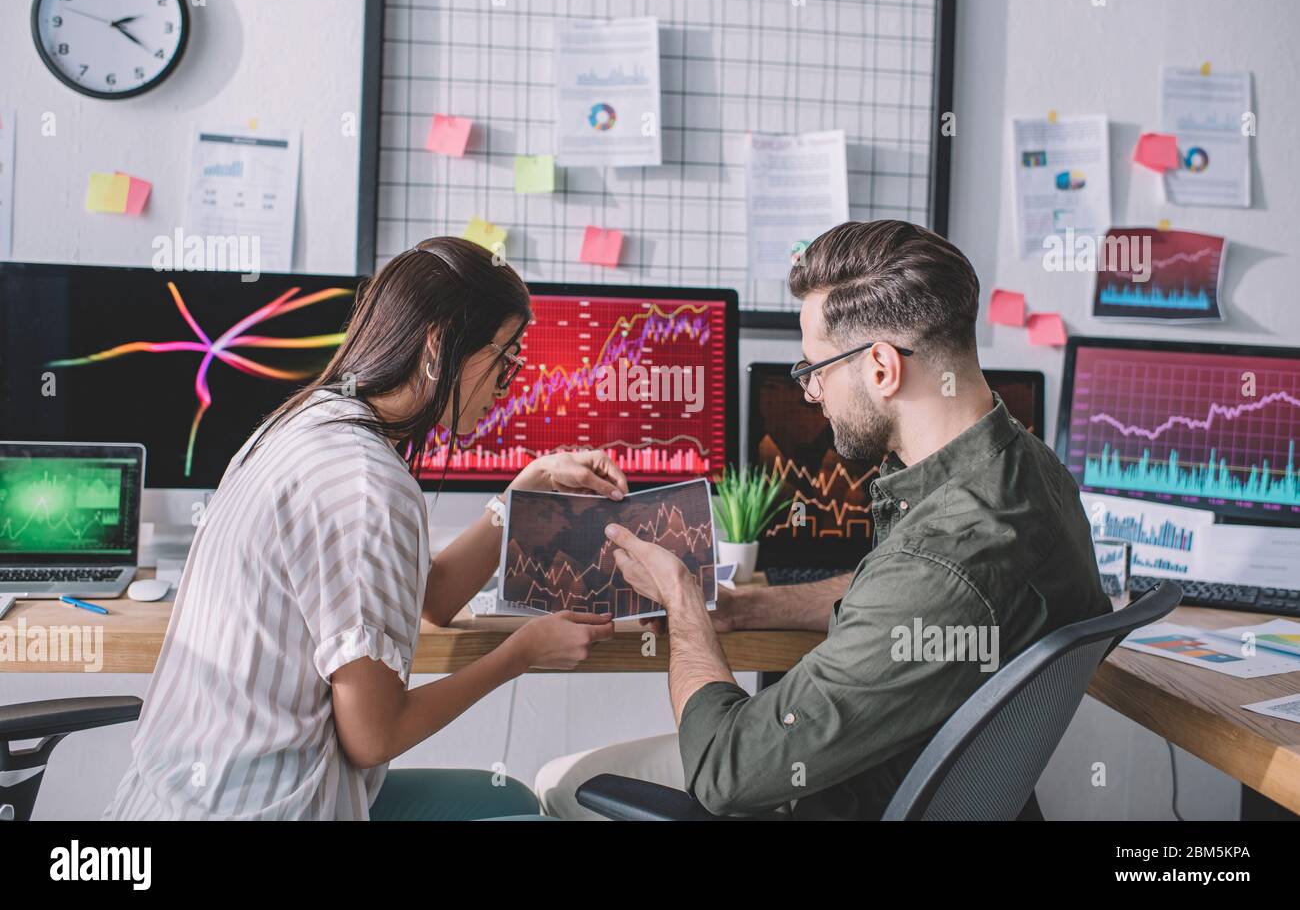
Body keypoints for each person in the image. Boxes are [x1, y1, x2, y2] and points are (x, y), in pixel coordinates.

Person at [535, 219, 1112, 820]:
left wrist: (681, 598)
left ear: (881, 368)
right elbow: (901, 594)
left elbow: (723, 770)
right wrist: (746, 609)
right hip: (898, 778)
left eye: (816, 369)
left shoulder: (945, 559)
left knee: (559, 784)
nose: (812, 393)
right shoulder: (1026, 471)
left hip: (833, 794)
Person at [105, 237, 626, 820]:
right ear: (438, 345)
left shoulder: (306, 421)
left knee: (511, 800)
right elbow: (375, 737)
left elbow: (428, 599)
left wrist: (524, 487)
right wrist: (521, 651)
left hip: (175, 796)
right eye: (504, 359)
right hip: (260, 807)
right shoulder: (367, 483)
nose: (510, 385)